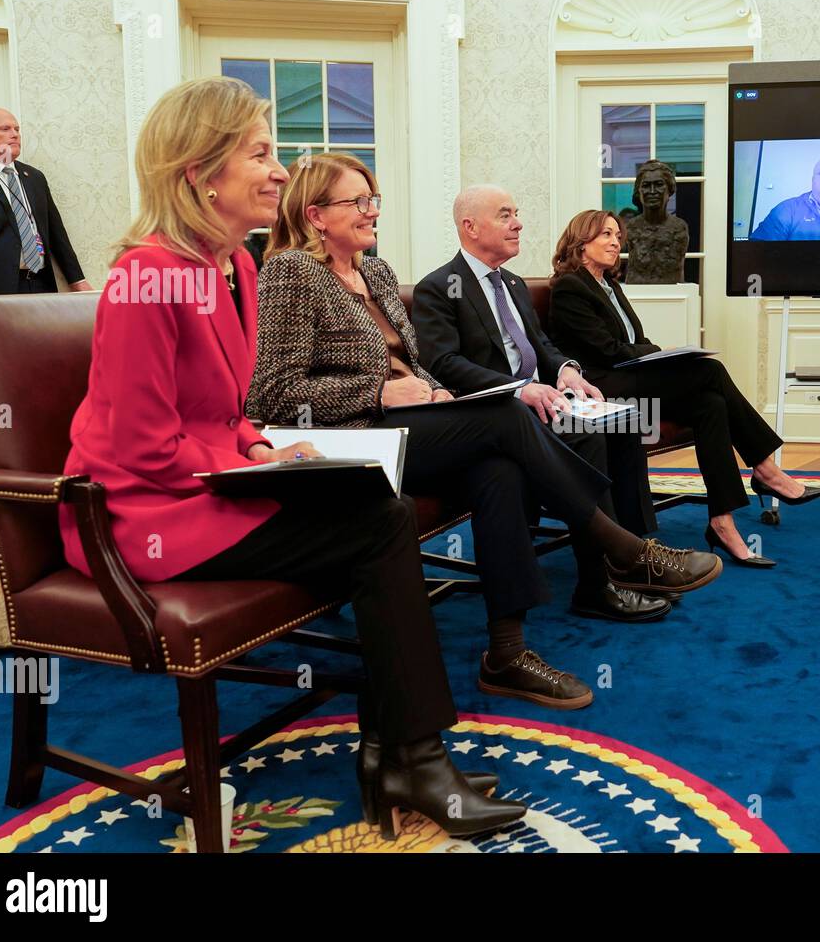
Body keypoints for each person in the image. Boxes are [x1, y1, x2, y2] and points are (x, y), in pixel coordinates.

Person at [58, 76, 524, 840]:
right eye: (261, 153)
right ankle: (409, 758)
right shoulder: (144, 277)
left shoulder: (236, 267)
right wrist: (256, 471)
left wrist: (264, 444)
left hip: (204, 481)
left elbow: (228, 411)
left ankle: (400, 752)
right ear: (199, 175)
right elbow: (144, 447)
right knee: (380, 520)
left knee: (378, 505)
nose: (279, 170)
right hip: (142, 511)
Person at [249, 154, 722, 710]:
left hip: (412, 422)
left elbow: (417, 363)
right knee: (508, 413)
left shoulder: (374, 272)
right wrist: (375, 393)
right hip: (354, 433)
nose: (372, 211)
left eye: (373, 199)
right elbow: (271, 393)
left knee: (497, 466)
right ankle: (623, 546)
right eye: (358, 201)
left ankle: (506, 652)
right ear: (316, 215)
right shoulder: (289, 272)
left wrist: (436, 392)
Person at [548, 210, 820, 567]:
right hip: (602, 390)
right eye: (605, 234)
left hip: (628, 378)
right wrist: (659, 354)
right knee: (709, 370)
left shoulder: (610, 286)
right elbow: (607, 350)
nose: (616, 241)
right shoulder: (571, 286)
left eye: (618, 235)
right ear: (580, 243)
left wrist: (656, 353)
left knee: (710, 404)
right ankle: (765, 469)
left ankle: (722, 521)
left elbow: (635, 340)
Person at [412, 185, 672, 547]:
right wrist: (519, 388)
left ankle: (638, 545)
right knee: (589, 434)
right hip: (500, 413)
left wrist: (566, 368)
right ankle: (601, 579)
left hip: (547, 400)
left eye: (516, 214)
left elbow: (541, 344)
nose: (518, 224)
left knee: (625, 420)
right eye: (505, 215)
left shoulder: (514, 284)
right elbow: (444, 362)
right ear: (470, 227)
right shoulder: (441, 287)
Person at [0, 108, 93, 294]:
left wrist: (77, 280)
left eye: (17, 129)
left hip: (42, 284)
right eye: (5, 129)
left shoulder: (34, 177)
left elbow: (56, 233)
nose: (14, 135)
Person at [623, 159, 688, 283]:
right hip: (637, 294)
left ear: (669, 189)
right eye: (646, 186)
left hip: (673, 295)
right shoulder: (630, 227)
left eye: (659, 184)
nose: (652, 191)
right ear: (639, 191)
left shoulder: (679, 227)